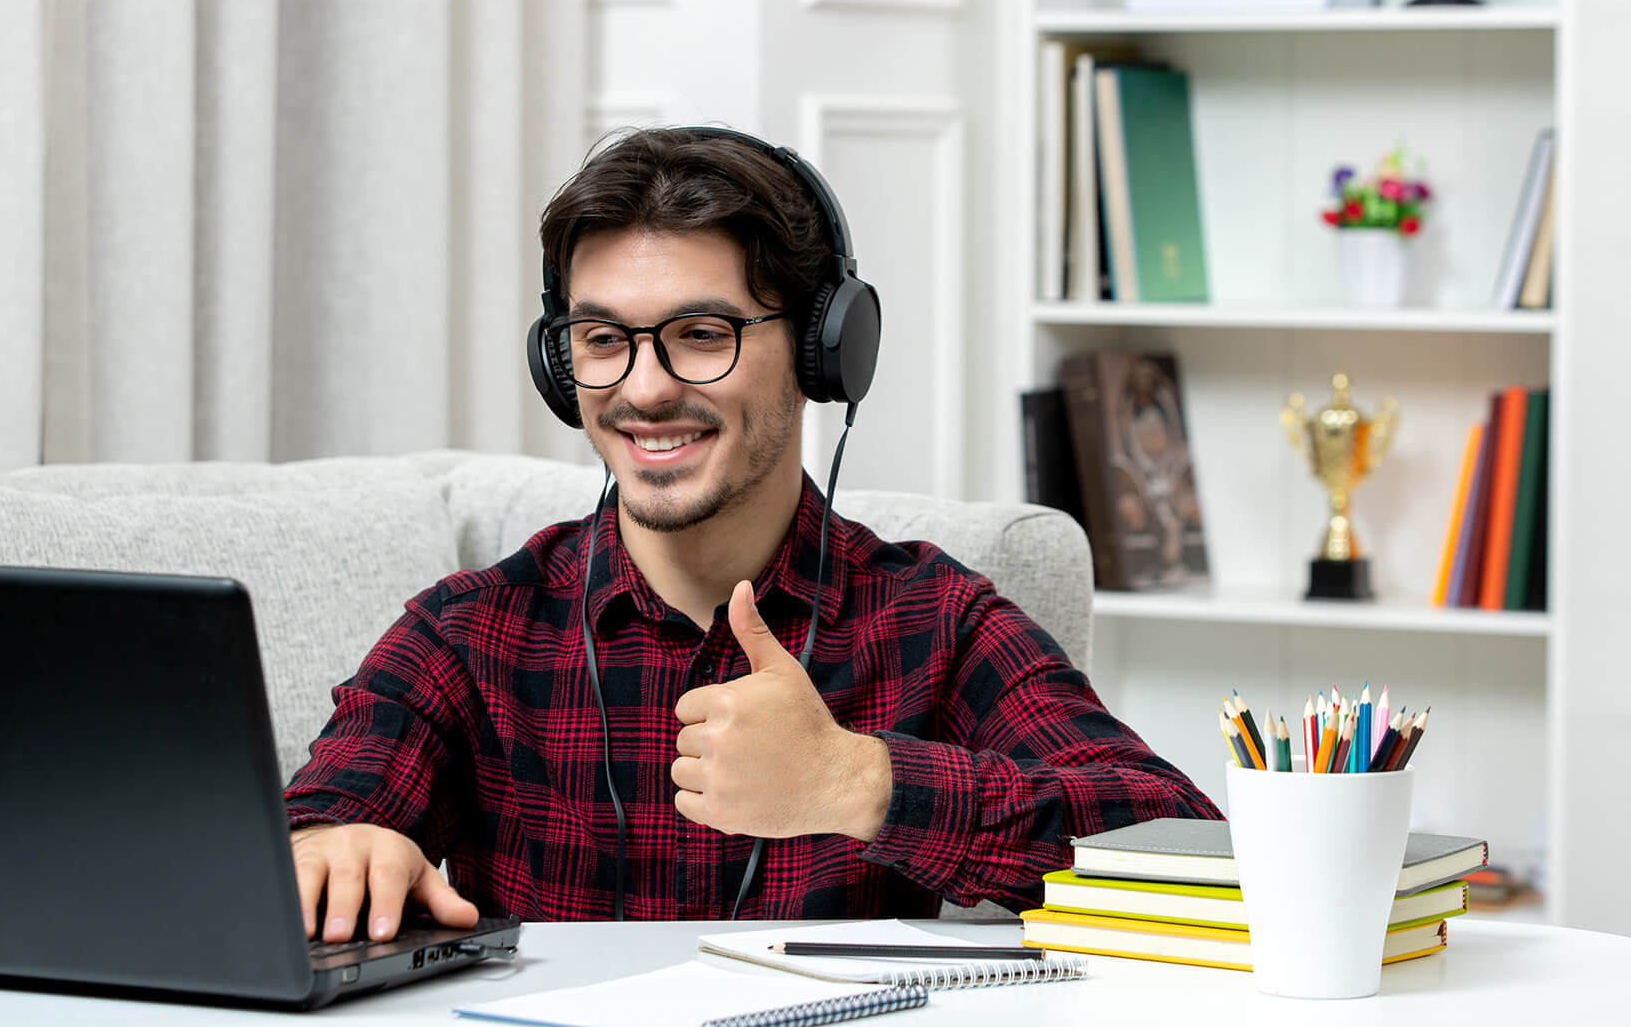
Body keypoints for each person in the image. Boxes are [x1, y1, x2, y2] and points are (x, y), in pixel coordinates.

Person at [285, 127, 1220, 945]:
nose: (643, 389)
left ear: (825, 352)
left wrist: (858, 781)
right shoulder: (472, 632)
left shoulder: (934, 620)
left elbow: (1188, 856)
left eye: (700, 333)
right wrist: (332, 853)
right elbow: (318, 826)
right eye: (602, 339)